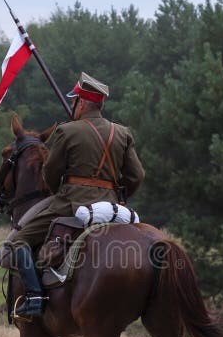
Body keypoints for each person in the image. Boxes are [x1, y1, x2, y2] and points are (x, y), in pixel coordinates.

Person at [12, 72, 145, 317]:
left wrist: (60, 192)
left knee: (18, 241)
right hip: (114, 206)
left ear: (81, 103)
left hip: (72, 204)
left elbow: (50, 173)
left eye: (74, 101)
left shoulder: (67, 131)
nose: (72, 105)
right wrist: (120, 197)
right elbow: (137, 175)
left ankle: (35, 296)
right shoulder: (122, 133)